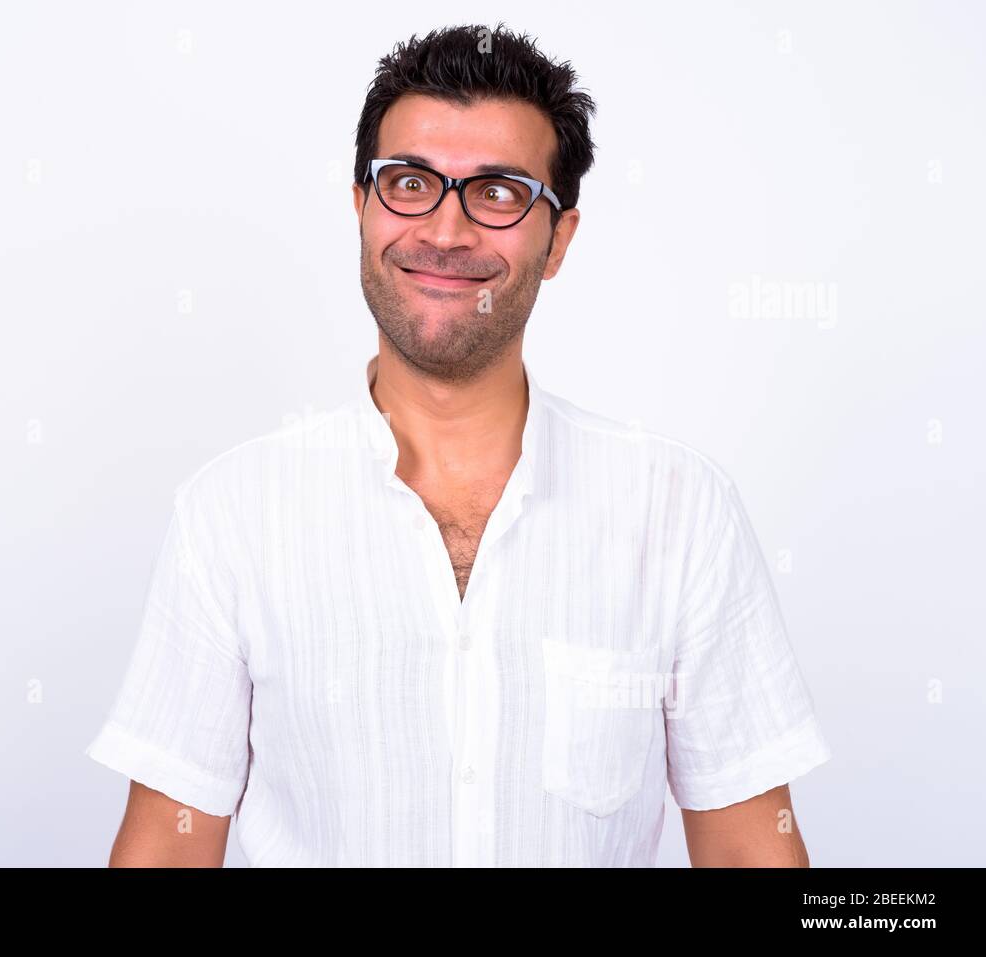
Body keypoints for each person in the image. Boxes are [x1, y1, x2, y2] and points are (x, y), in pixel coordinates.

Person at [86, 22, 831, 867]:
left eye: (500, 193)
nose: (444, 231)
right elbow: (167, 849)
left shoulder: (677, 510)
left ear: (558, 240)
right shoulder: (234, 514)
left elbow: (749, 852)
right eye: (409, 183)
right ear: (361, 207)